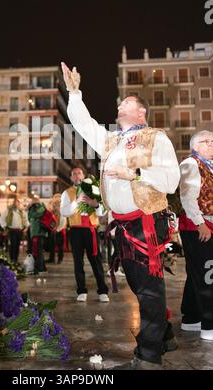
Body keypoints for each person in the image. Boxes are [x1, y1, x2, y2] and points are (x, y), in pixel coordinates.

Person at [61, 62, 180, 370]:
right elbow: (85, 126)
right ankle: (164, 334)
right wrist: (74, 92)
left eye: (126, 103)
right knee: (141, 286)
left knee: (149, 287)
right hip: (123, 226)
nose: (119, 105)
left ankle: (149, 356)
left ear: (141, 112)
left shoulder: (156, 138)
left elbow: (171, 180)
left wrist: (135, 173)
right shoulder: (112, 141)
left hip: (147, 222)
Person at [179, 131, 213, 340]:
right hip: (197, 226)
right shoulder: (191, 164)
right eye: (207, 141)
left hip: (207, 224)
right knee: (209, 274)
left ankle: (191, 318)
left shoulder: (209, 165)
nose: (212, 144)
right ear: (195, 146)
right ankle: (209, 325)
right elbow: (187, 197)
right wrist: (200, 223)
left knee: (196, 273)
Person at [60, 166, 110, 302]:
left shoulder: (93, 190)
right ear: (71, 178)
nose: (77, 176)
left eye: (79, 173)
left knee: (96, 262)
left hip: (91, 230)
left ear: (83, 176)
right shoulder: (67, 193)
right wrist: (76, 202)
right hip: (76, 230)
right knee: (78, 262)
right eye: (74, 174)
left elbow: (101, 212)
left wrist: (95, 204)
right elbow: (64, 212)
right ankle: (81, 290)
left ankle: (103, 291)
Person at [0, 197, 29, 262]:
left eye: (18, 203)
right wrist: (4, 227)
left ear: (19, 204)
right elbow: (1, 218)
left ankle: (15, 258)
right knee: (13, 244)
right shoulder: (9, 210)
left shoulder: (21, 211)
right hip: (12, 230)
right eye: (15, 203)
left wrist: (27, 227)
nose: (16, 204)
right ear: (13, 203)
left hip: (19, 231)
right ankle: (12, 258)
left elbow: (25, 219)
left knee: (17, 245)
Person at [28, 196, 49, 275]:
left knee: (39, 251)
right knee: (37, 251)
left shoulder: (41, 207)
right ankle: (42, 268)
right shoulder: (34, 208)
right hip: (35, 232)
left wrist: (31, 207)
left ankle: (40, 268)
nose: (32, 202)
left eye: (33, 201)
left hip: (39, 233)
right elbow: (29, 218)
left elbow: (34, 215)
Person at [46, 193, 67, 264]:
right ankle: (52, 258)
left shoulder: (62, 211)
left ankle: (60, 259)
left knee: (59, 246)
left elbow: (63, 222)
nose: (55, 205)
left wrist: (57, 229)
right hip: (53, 230)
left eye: (56, 204)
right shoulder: (53, 211)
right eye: (54, 204)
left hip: (59, 231)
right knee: (52, 245)